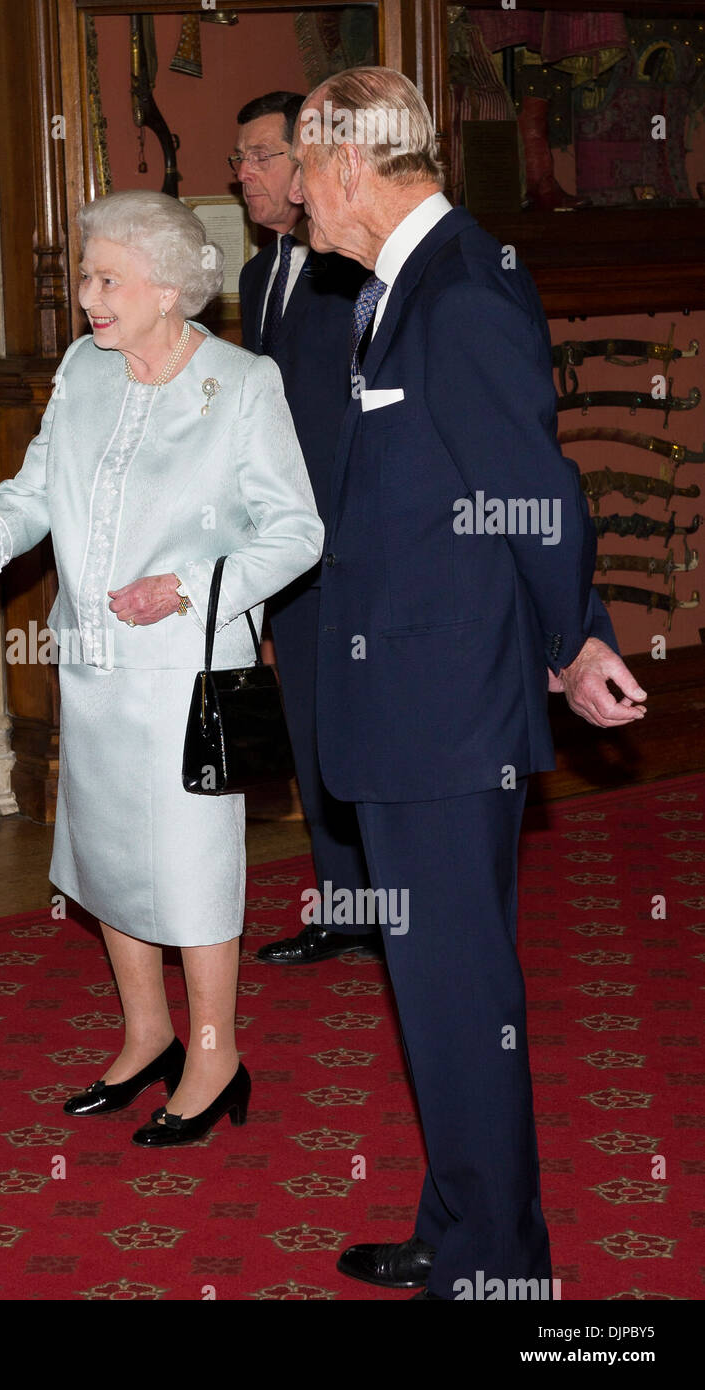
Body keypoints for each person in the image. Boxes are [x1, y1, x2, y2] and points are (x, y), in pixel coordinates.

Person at [287, 66, 646, 1299]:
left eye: (302, 166)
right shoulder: (403, 286)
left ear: (352, 164)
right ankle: (456, 1225)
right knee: (435, 1001)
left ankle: (500, 1270)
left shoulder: (461, 289)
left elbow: (536, 488)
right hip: (403, 704)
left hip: (444, 712)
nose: (290, 195)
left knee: (459, 997)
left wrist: (577, 637)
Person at [0, 190, 323, 1145]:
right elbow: (36, 490)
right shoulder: (84, 367)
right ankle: (147, 1032)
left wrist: (187, 586)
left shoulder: (242, 385)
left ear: (168, 290)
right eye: (85, 277)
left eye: (107, 279)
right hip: (96, 664)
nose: (87, 298)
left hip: (188, 672)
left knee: (192, 874)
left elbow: (297, 535)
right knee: (106, 859)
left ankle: (214, 1053)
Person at [231, 91, 379, 967]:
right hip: (285, 540)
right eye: (239, 161)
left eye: (259, 156)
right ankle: (344, 907)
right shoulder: (257, 277)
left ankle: (393, 909)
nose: (243, 174)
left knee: (362, 725)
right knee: (311, 725)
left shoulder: (358, 271)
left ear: (308, 162)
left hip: (355, 537)